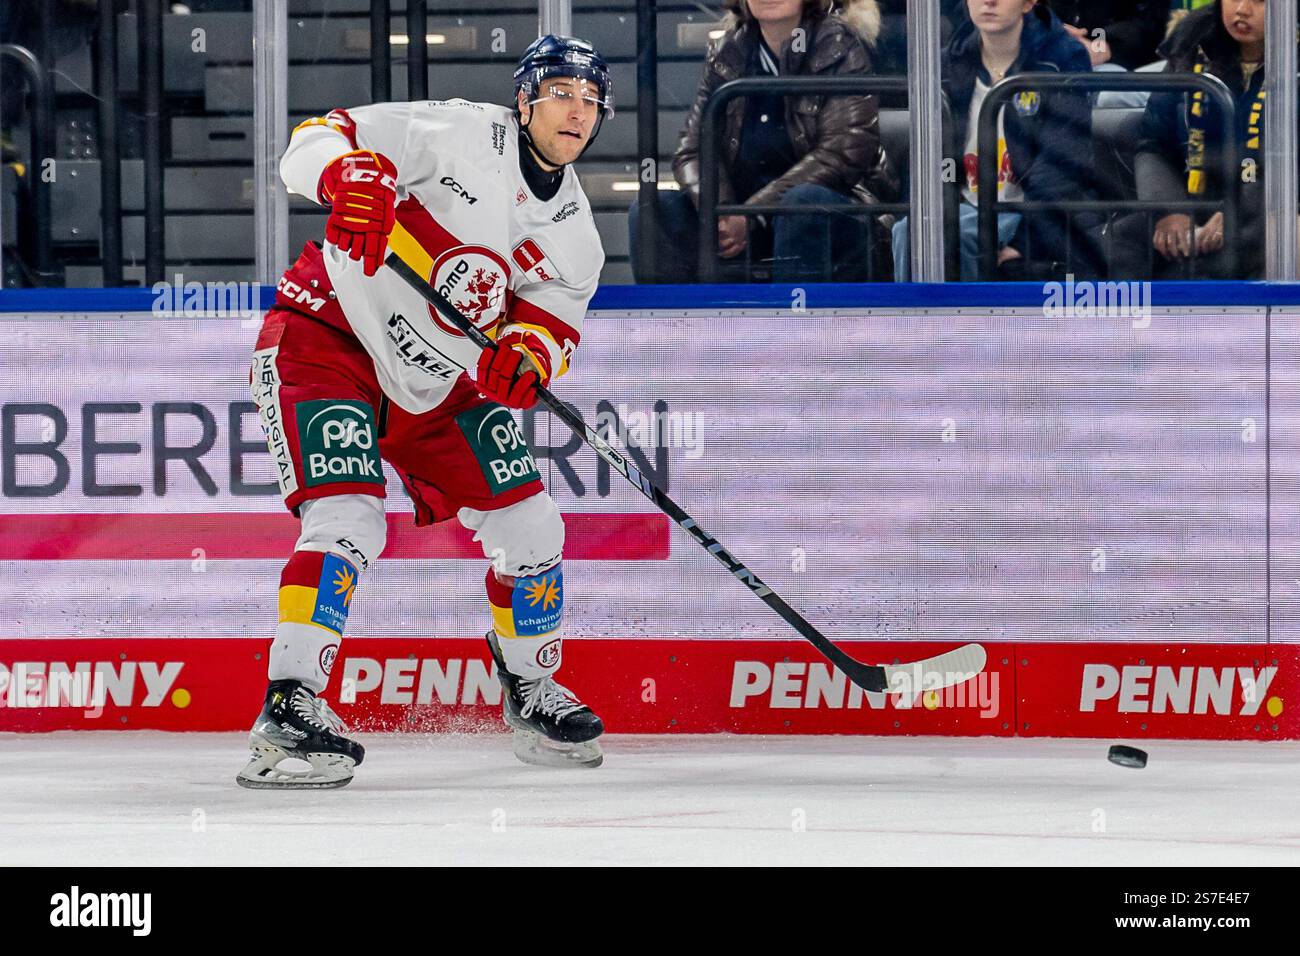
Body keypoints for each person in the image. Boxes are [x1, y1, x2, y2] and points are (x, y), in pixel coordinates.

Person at [237, 36, 611, 789]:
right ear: (526, 99)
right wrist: (349, 177)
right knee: (347, 517)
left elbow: (553, 324)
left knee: (532, 523)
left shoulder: (577, 237)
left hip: (438, 382)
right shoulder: (458, 134)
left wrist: (527, 356)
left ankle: (531, 687)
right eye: (561, 92)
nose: (577, 110)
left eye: (591, 100)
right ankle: (291, 705)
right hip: (328, 334)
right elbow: (314, 141)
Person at [632, 0, 897, 283]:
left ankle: (794, 325)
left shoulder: (841, 46)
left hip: (832, 218)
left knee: (802, 203)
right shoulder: (728, 52)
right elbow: (692, 149)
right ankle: (681, 325)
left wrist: (752, 216)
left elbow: (844, 151)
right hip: (743, 222)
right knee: (653, 209)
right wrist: (721, 214)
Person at [894, 0, 1102, 280]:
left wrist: (1026, 241)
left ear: (1028, 4)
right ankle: (912, 322)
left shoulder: (1061, 59)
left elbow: (1063, 161)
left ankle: (967, 325)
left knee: (966, 235)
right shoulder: (949, 61)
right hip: (963, 207)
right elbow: (927, 157)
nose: (988, 1)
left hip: (1027, 215)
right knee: (908, 231)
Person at [1109, 0, 1295, 279]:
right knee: (1122, 240)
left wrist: (1240, 213)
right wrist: (1168, 211)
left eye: (1259, 1)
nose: (1242, 9)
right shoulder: (1192, 41)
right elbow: (1153, 142)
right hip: (1195, 199)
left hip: (1274, 206)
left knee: (1251, 244)